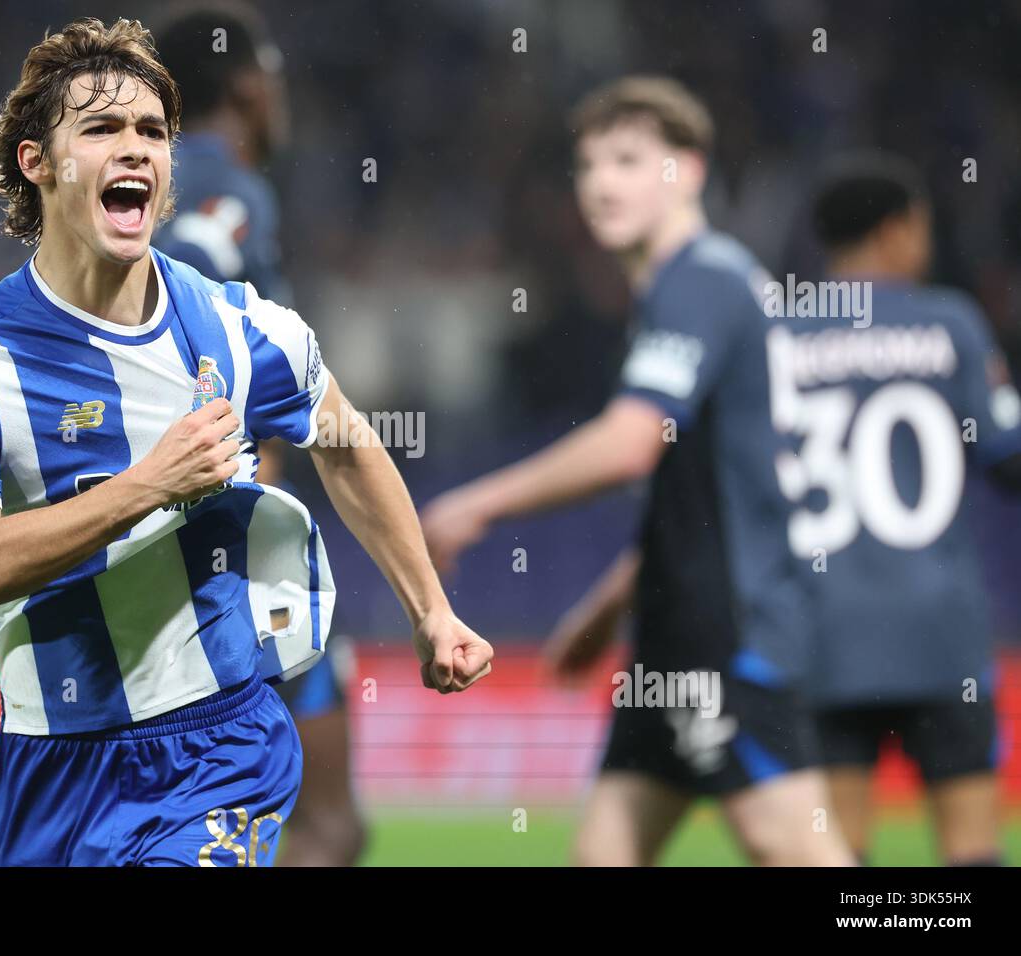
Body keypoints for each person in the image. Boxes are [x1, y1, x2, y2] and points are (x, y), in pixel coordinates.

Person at [0, 17, 492, 867]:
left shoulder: (240, 326)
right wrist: (150, 484)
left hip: (216, 746)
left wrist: (430, 610)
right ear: (38, 164)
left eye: (152, 131)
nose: (135, 147)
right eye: (102, 129)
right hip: (47, 762)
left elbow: (348, 441)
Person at [422, 76, 852, 866]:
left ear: (686, 171)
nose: (600, 184)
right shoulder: (695, 288)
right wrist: (607, 607)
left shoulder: (700, 282)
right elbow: (704, 495)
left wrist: (478, 504)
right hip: (672, 635)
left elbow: (628, 443)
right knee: (604, 856)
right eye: (588, 165)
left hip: (732, 634)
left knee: (796, 853)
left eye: (627, 160)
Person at [152, 4, 365, 866]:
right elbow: (248, 379)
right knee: (324, 827)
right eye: (271, 80)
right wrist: (249, 464)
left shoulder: (124, 197)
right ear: (247, 85)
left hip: (140, 551)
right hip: (235, 553)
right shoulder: (230, 189)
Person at [773, 154, 1021, 865]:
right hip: (940, 630)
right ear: (898, 230)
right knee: (972, 845)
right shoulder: (950, 324)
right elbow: (1009, 457)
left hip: (823, 630)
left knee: (838, 850)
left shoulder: (781, 337)